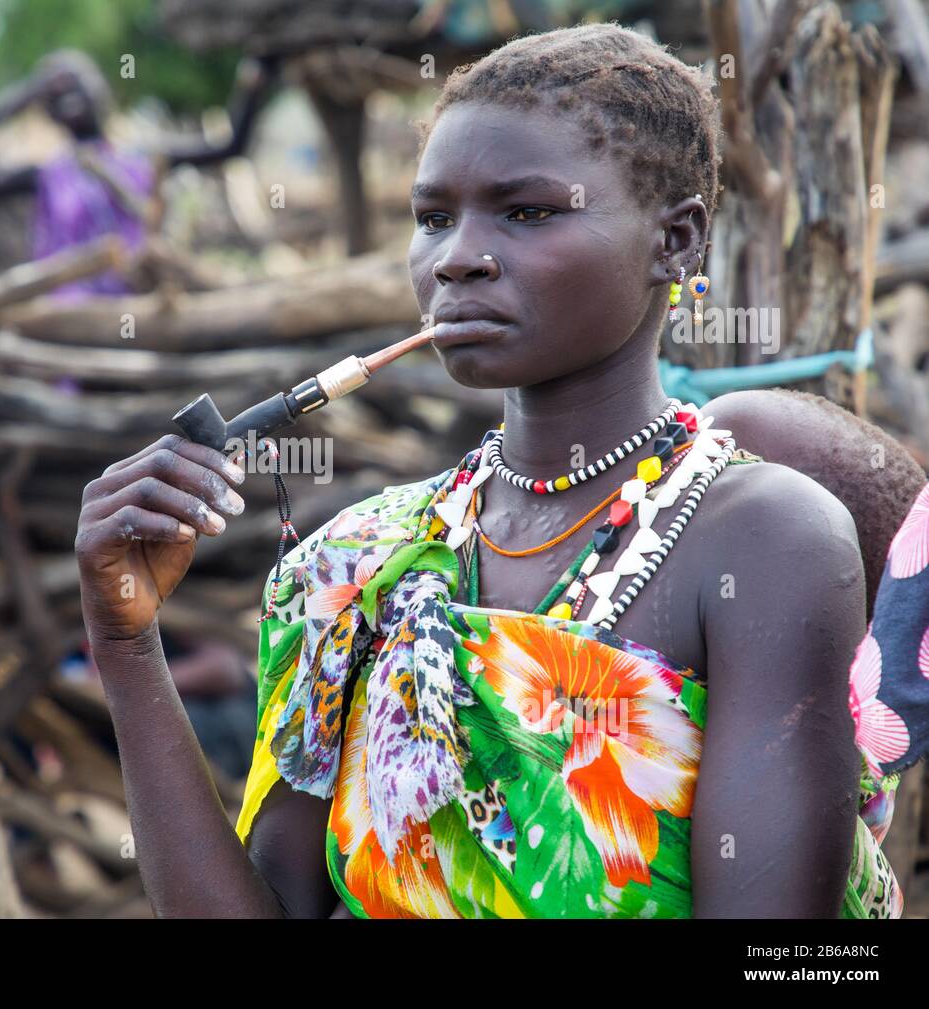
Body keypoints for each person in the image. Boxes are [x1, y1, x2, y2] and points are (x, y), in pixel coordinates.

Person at [75, 22, 917, 917]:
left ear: (677, 241)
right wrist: (126, 646)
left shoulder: (762, 539)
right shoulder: (357, 566)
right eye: (434, 218)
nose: (457, 256)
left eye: (527, 212)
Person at [0, 49, 277, 300]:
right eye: (54, 88)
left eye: (77, 78)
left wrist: (255, 77)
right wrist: (3, 110)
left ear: (103, 90)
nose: (67, 89)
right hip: (66, 328)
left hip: (142, 319)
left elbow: (231, 147)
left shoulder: (144, 159)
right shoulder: (46, 175)